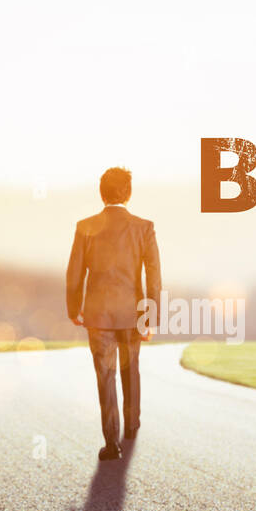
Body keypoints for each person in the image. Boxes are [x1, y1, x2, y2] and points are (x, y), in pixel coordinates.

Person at [66, 167, 162, 461]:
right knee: (130, 368)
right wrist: (150, 317)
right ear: (128, 193)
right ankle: (132, 426)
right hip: (132, 312)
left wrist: (74, 308)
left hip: (98, 314)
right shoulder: (144, 227)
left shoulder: (85, 226)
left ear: (101, 193)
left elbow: (74, 274)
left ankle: (112, 443)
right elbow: (154, 275)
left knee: (105, 375)